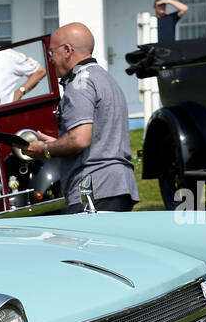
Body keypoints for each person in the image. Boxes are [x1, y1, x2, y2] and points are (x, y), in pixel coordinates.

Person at [22, 22, 138, 214]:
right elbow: (96, 136)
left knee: (88, 245)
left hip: (93, 189)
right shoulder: (106, 79)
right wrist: (60, 143)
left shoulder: (78, 83)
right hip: (118, 186)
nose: (50, 60)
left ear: (67, 50)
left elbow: (80, 139)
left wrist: (46, 149)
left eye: (52, 53)